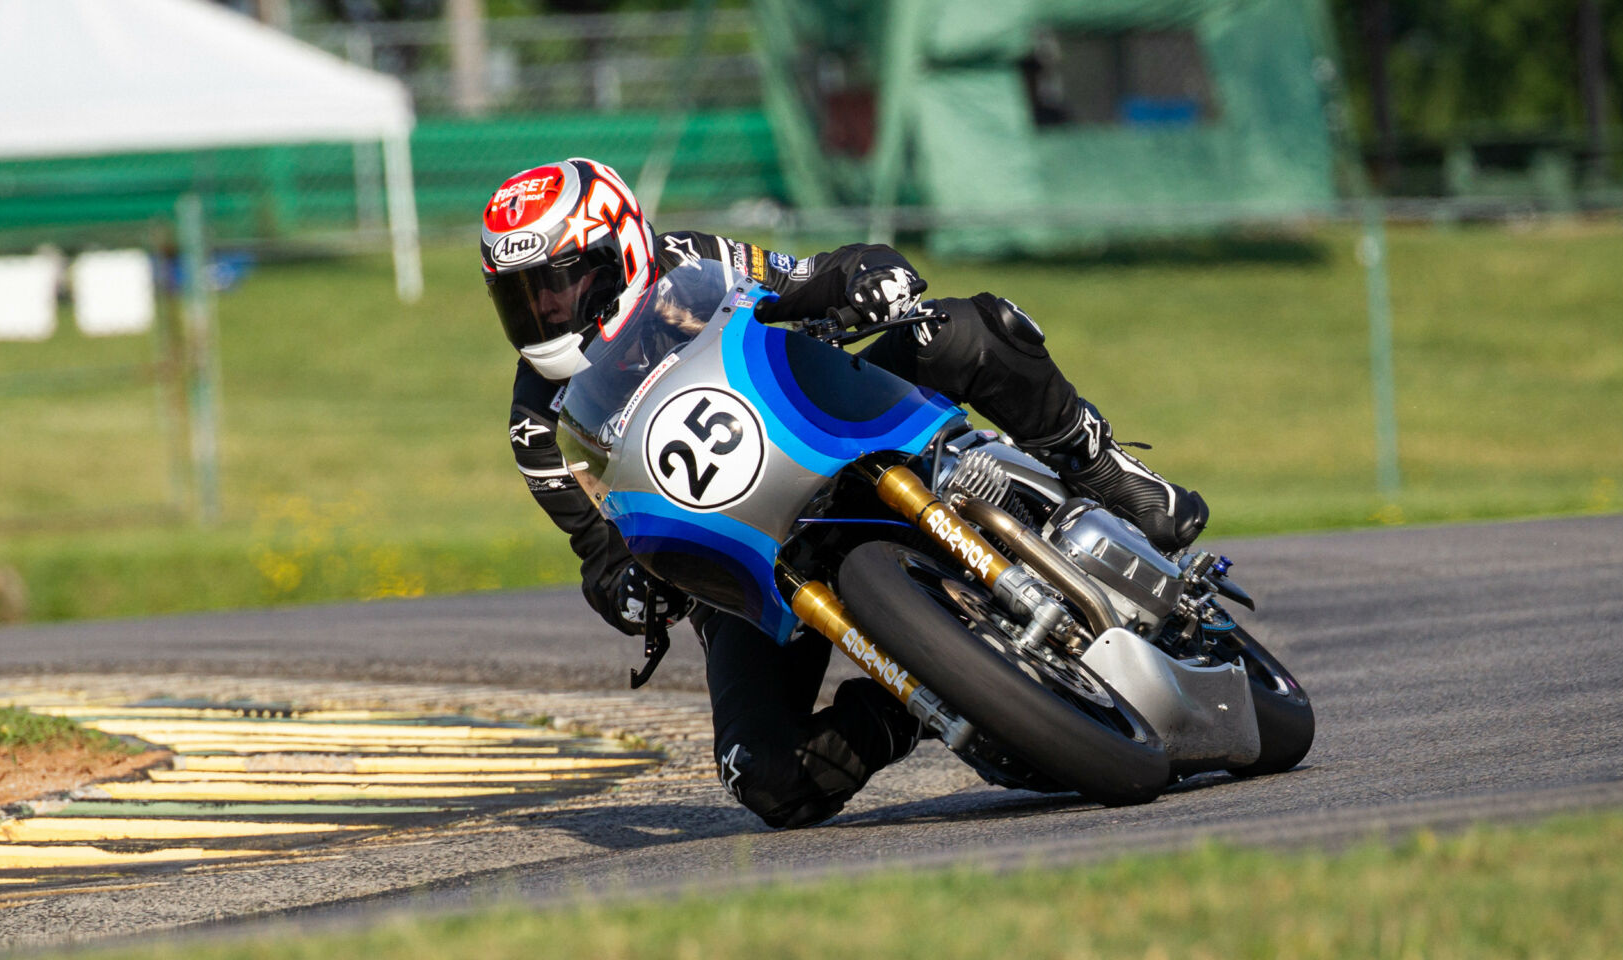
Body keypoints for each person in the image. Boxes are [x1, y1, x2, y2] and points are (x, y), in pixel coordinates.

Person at [483, 158, 1209, 829]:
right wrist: (630, 595)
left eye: (562, 280)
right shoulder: (535, 425)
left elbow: (811, 276)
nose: (546, 309)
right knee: (765, 779)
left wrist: (869, 274)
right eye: (522, 296)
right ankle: (922, 694)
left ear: (623, 249)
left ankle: (1104, 468)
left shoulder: (690, 261)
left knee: (961, 330)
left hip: (825, 427)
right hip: (746, 566)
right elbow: (601, 553)